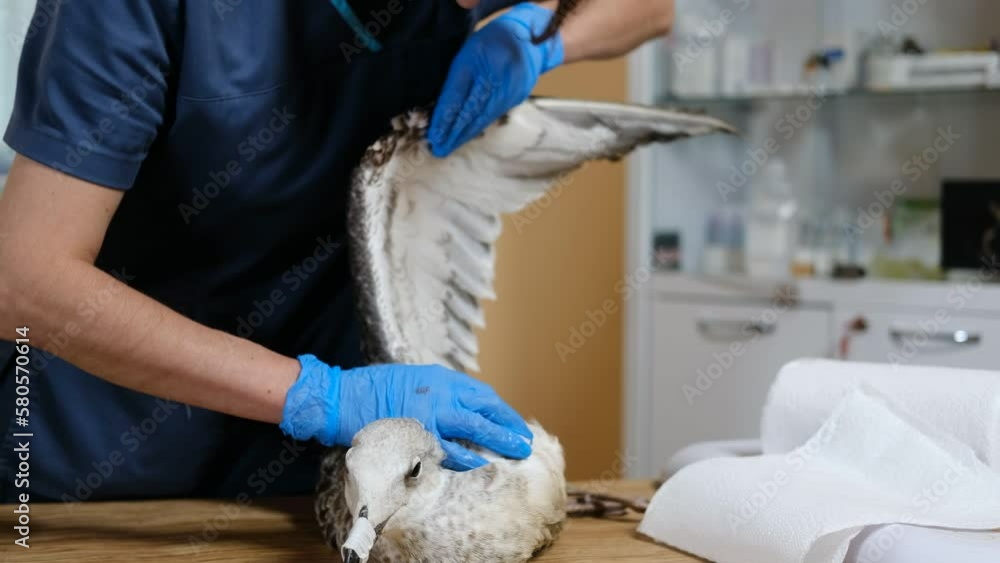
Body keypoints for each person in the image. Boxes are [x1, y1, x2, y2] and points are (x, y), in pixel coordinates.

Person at [0, 0, 675, 503]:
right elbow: (22, 280)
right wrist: (318, 394)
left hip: (310, 476)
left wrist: (535, 39)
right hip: (97, 459)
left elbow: (654, 9)